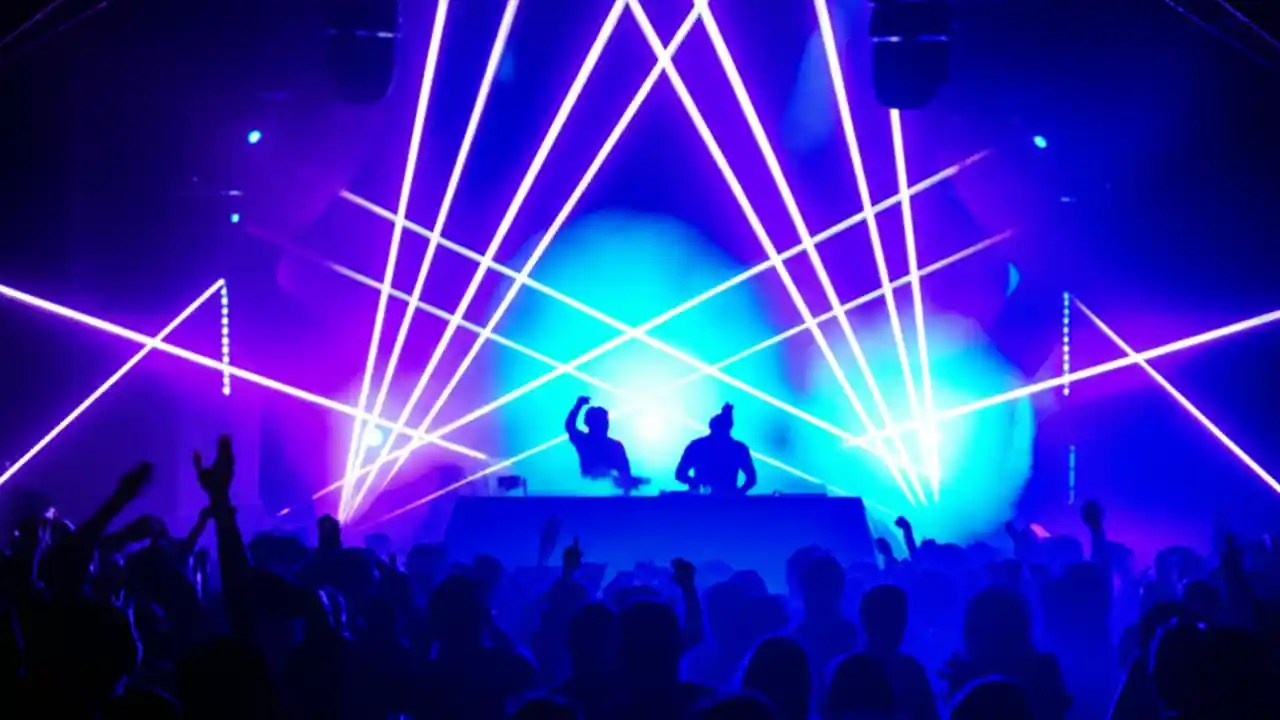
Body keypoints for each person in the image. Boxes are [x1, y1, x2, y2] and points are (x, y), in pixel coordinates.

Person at [675, 404, 757, 495]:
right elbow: (680, 473)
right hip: (712, 498)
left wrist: (738, 494)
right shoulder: (738, 448)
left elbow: (751, 478)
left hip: (712, 498)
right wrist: (738, 494)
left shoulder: (697, 445)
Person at [565, 396, 633, 490]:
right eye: (600, 421)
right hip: (587, 490)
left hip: (610, 493)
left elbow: (625, 473)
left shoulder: (616, 446)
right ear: (590, 423)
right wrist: (578, 406)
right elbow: (570, 426)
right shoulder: (584, 441)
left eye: (605, 421)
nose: (605, 424)